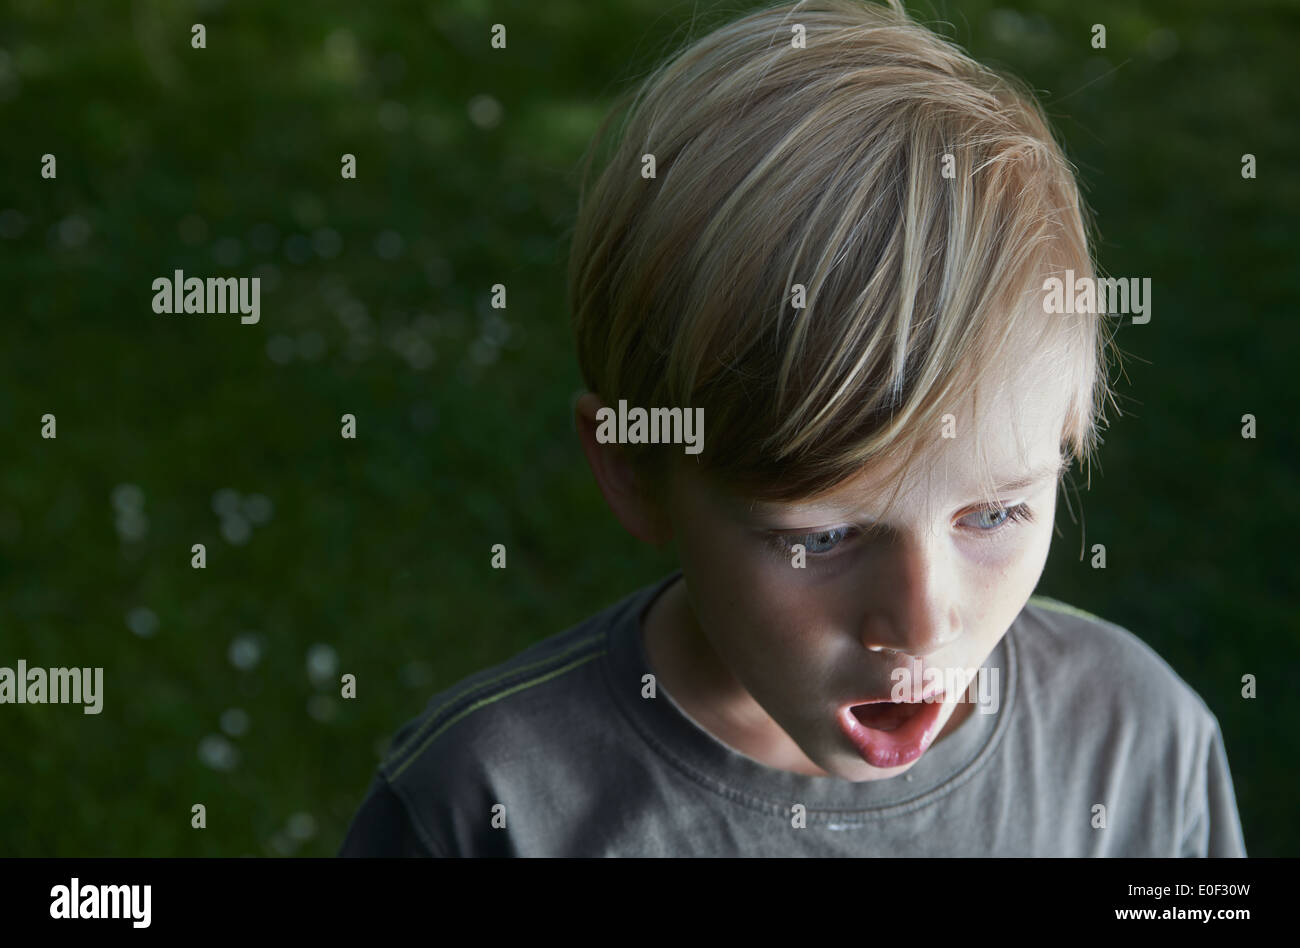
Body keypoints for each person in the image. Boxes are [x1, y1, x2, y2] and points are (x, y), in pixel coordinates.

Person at [340, 0, 1245, 856]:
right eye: (825, 535)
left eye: (995, 515)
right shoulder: (487, 808)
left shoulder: (1137, 753)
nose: (922, 621)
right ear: (633, 468)